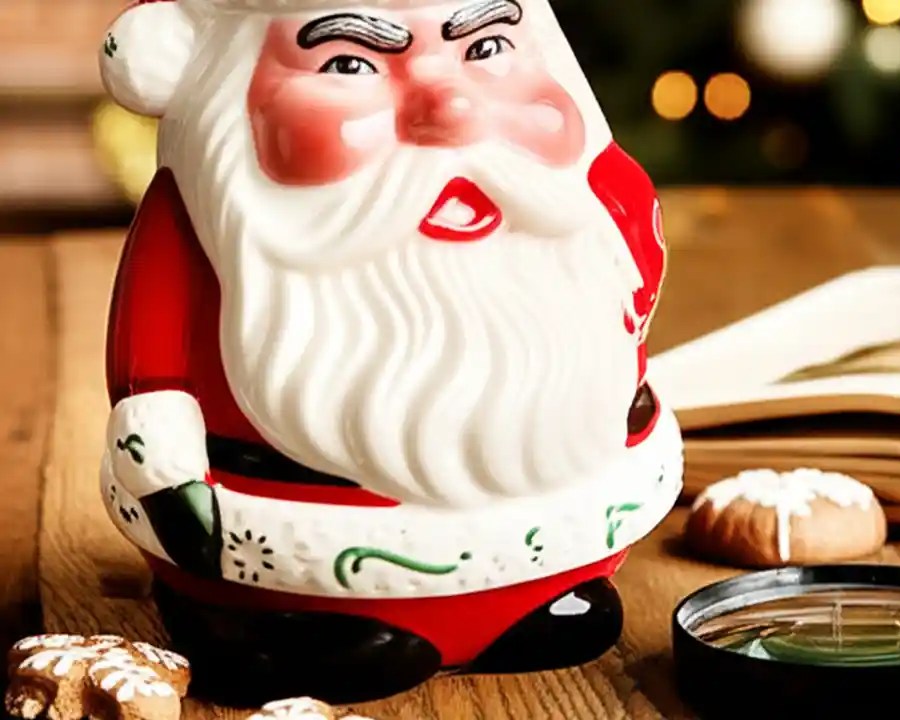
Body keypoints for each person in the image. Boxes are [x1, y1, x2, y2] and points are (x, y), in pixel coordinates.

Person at [98, 0, 680, 704]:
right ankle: (291, 629)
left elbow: (625, 254)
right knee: (304, 644)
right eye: (351, 64)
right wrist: (161, 436)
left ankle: (532, 602)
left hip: (560, 541)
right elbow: (153, 348)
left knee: (556, 619)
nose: (452, 109)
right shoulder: (205, 225)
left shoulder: (573, 205)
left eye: (488, 48)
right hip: (283, 560)